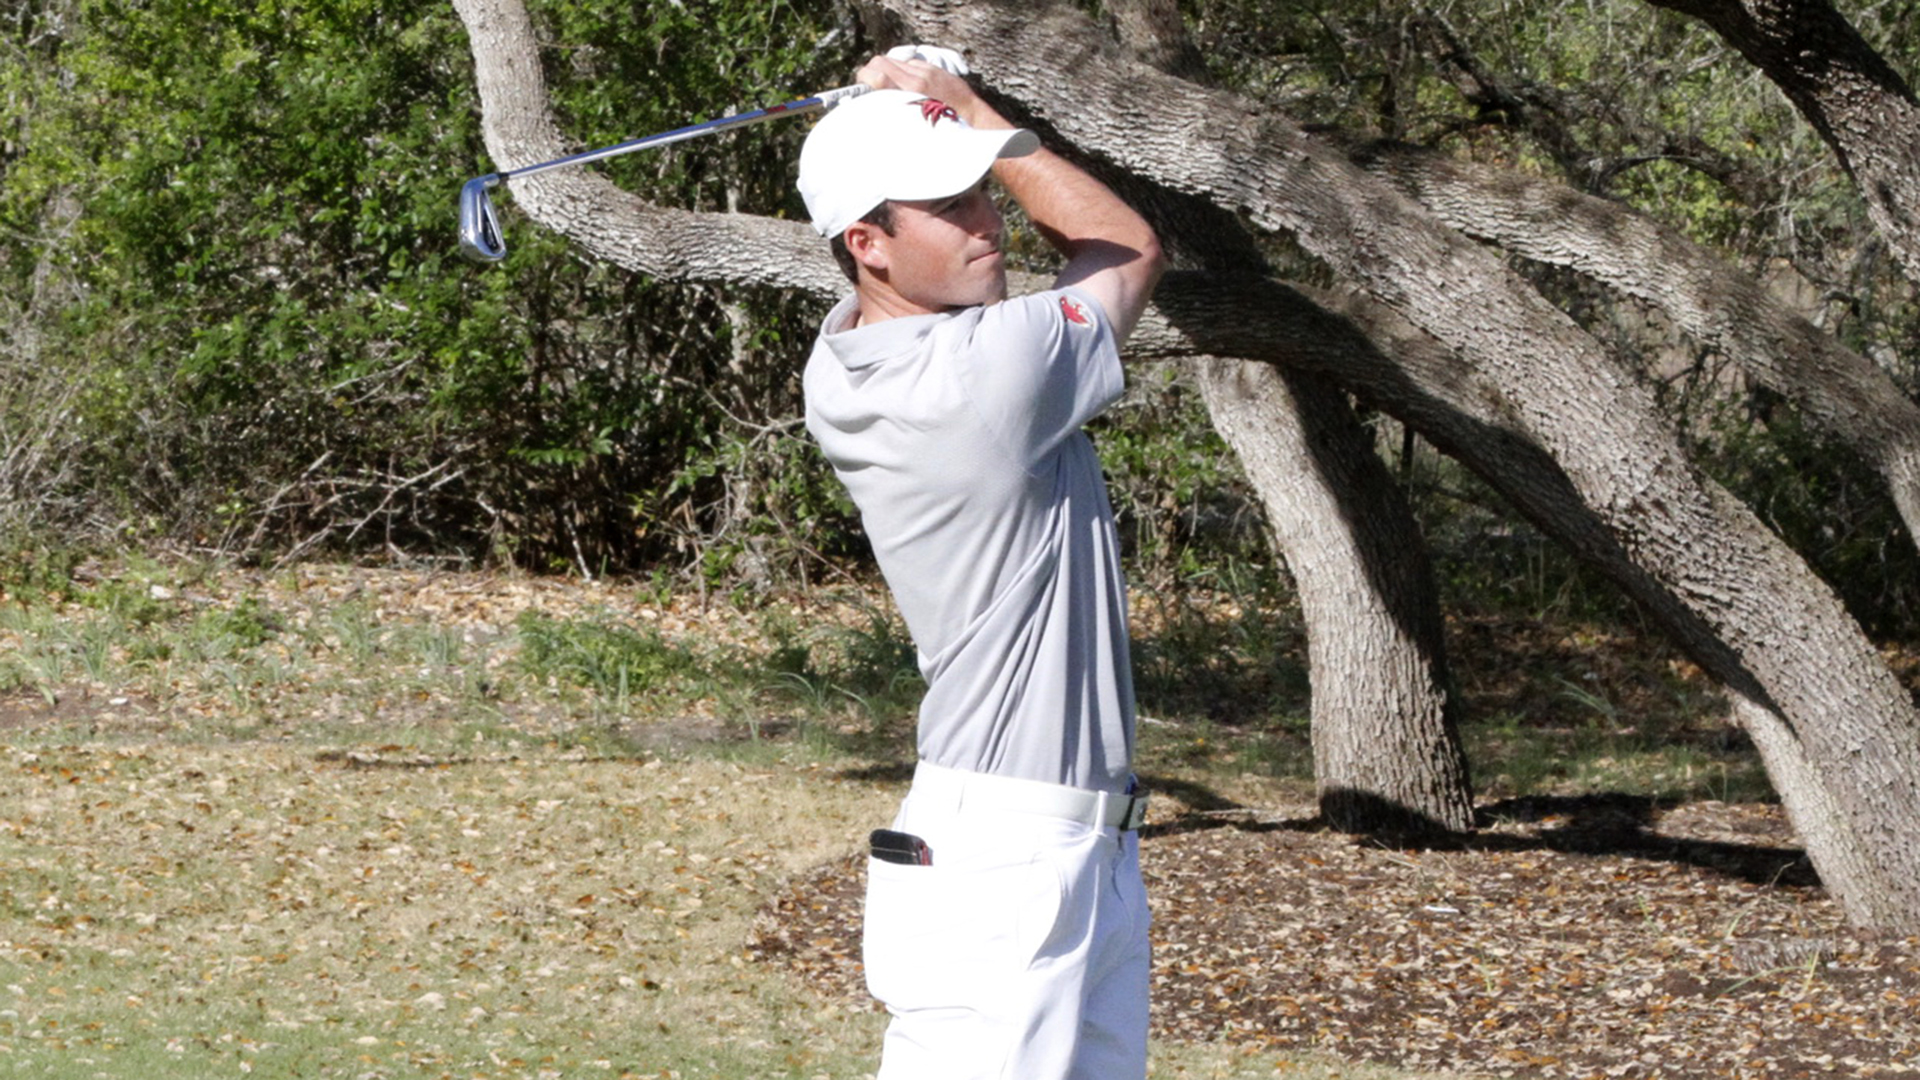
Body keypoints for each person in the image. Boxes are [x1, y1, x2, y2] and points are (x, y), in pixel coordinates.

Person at [796, 44, 1166, 1080]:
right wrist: (960, 102)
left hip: (1061, 839)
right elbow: (1122, 242)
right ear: (867, 242)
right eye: (950, 207)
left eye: (980, 193)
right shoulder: (985, 375)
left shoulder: (844, 363)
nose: (987, 222)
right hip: (1004, 850)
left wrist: (921, 128)